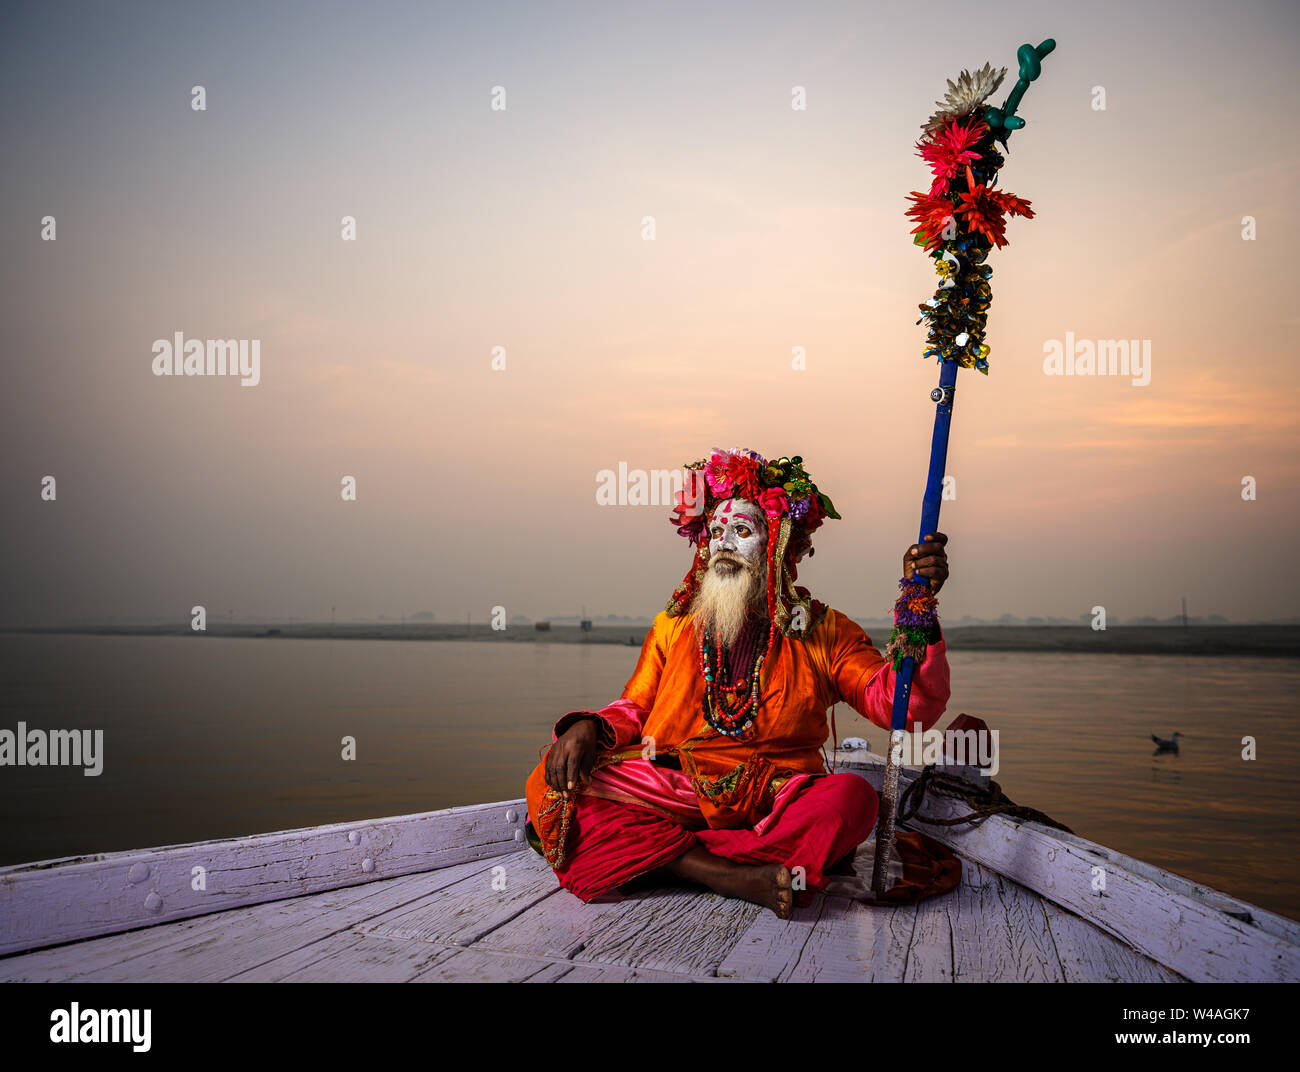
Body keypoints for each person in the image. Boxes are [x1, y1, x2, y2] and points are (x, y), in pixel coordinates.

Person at [523, 448, 951, 918]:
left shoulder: (823, 631)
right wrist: (586, 728)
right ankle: (725, 871)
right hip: (675, 787)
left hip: (775, 798)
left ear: (777, 546)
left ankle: (661, 858)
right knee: (551, 782)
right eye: (717, 531)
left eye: (742, 531)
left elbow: (902, 708)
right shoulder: (673, 625)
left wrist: (918, 610)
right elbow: (635, 706)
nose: (724, 544)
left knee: (852, 799)